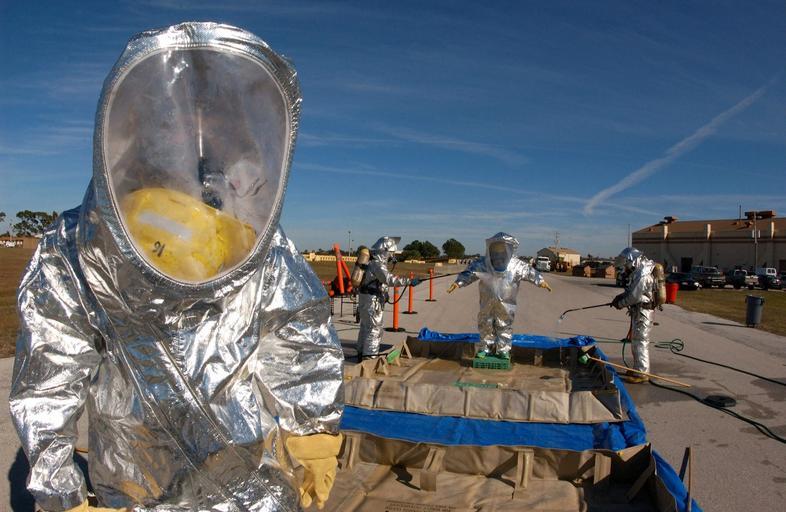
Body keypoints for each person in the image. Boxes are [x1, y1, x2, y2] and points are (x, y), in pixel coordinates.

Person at [9, 23, 344, 512]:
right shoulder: (77, 246)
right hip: (134, 485)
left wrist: (312, 434)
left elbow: (299, 342)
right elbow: (48, 379)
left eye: (207, 119)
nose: (190, 135)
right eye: (173, 118)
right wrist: (61, 492)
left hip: (254, 483)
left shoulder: (259, 248)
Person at [447, 232, 551, 359]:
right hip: (487, 301)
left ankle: (503, 350)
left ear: (509, 249)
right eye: (496, 250)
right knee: (485, 323)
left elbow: (530, 273)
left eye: (502, 250)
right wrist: (458, 283)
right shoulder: (483, 264)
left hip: (506, 303)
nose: (499, 254)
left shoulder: (517, 266)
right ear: (490, 248)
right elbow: (469, 273)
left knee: (505, 324)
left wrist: (541, 281)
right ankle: (485, 348)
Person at [356, 236, 419, 360]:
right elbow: (389, 279)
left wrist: (384, 293)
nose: (392, 256)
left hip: (366, 299)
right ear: (385, 251)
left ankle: (361, 353)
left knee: (365, 327)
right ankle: (369, 359)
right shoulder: (377, 264)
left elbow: (378, 281)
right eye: (391, 253)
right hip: (372, 302)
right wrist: (408, 281)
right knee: (374, 330)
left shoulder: (370, 261)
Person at [612, 247, 656, 384]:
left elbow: (634, 296)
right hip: (638, 311)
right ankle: (637, 367)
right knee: (635, 341)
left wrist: (621, 304)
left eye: (626, 263)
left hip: (643, 312)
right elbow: (631, 292)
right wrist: (619, 297)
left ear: (632, 260)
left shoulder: (643, 274)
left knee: (641, 342)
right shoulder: (638, 273)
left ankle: (642, 372)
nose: (626, 267)